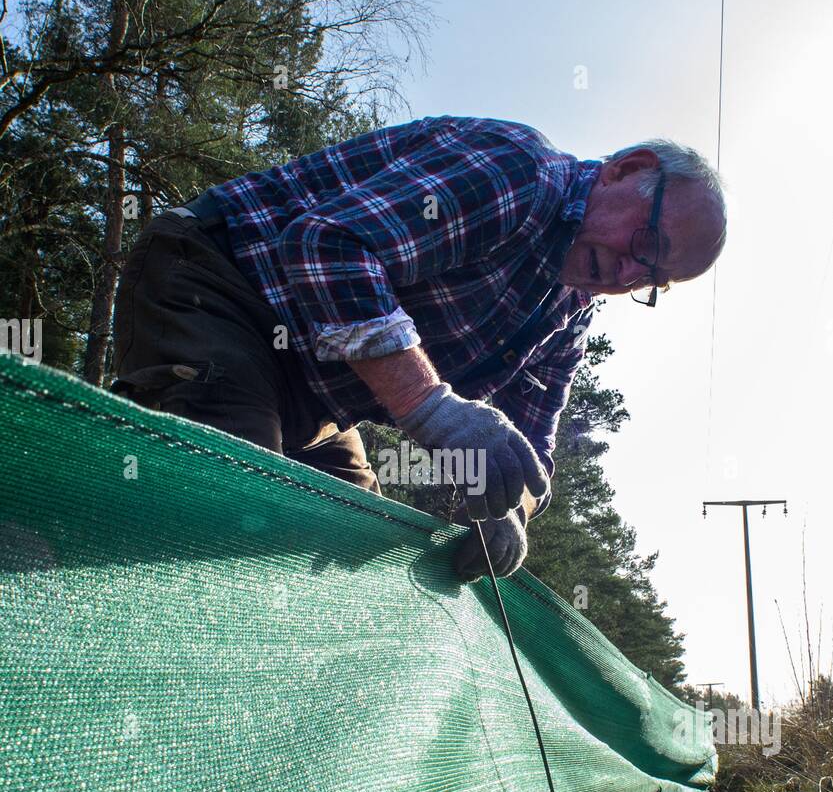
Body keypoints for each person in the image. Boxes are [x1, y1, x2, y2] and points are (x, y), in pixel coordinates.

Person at [112, 115, 726, 579]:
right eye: (645, 244)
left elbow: (532, 444)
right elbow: (328, 247)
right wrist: (429, 407)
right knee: (232, 514)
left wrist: (511, 505)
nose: (628, 275)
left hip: (314, 392)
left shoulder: (568, 315)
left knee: (349, 550)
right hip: (222, 281)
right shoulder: (521, 173)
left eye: (652, 282)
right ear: (626, 169)